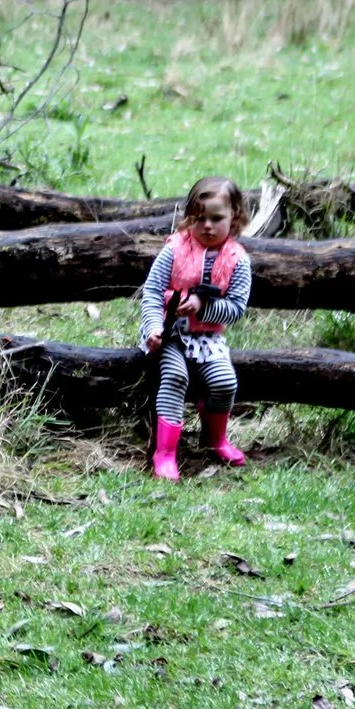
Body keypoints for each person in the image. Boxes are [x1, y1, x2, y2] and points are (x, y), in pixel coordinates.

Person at [138, 176, 254, 481]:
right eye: (199, 218)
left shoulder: (237, 260)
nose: (207, 226)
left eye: (217, 218)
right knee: (175, 378)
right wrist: (152, 327)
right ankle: (164, 453)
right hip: (171, 335)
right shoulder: (175, 249)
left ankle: (214, 439)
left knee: (225, 383)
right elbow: (152, 291)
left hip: (208, 337)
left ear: (235, 217)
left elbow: (236, 307)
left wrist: (204, 306)